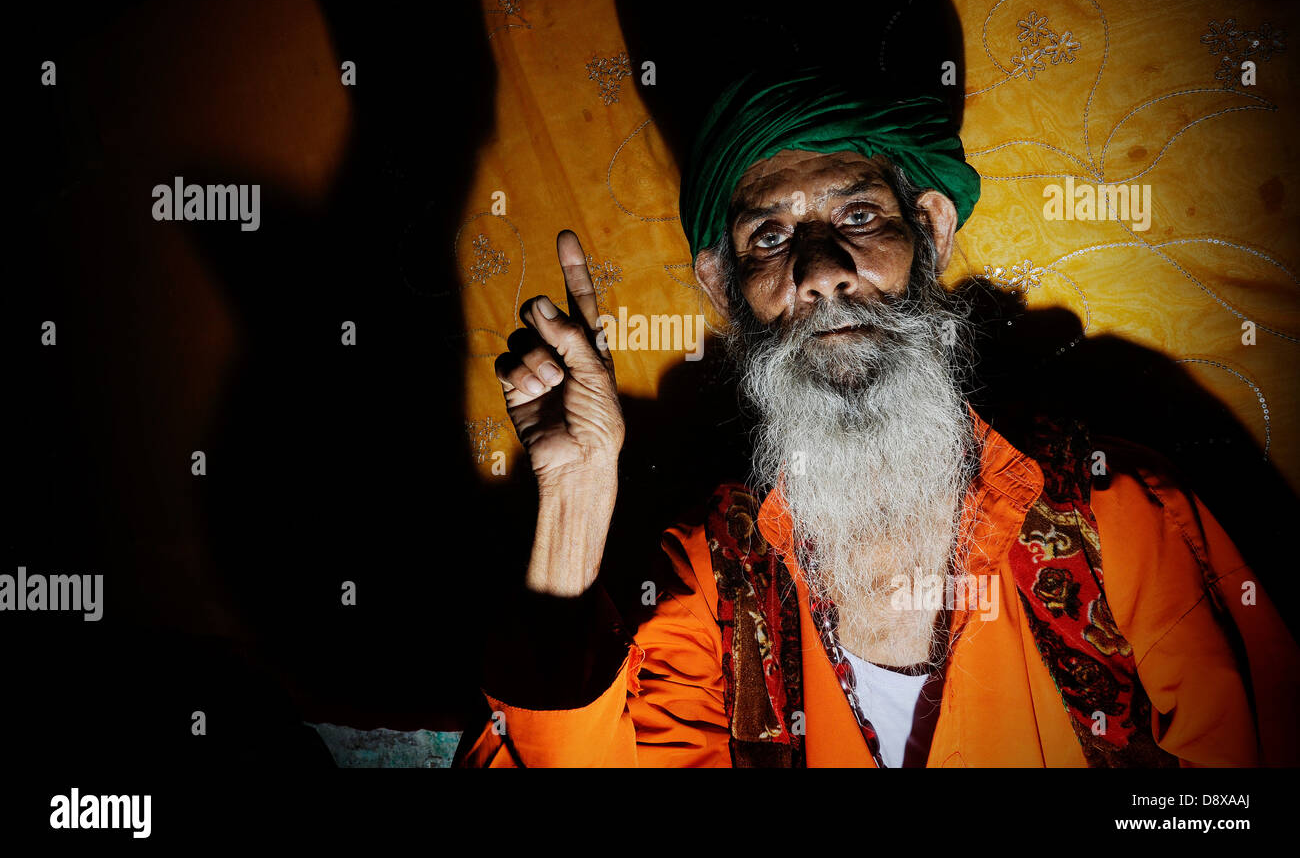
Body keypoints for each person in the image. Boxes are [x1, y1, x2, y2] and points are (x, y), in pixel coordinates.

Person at [459, 64, 1299, 767]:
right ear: (725, 289)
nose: (822, 271)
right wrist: (574, 498)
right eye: (770, 238)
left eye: (859, 217)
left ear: (928, 235)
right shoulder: (711, 582)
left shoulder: (1119, 518)